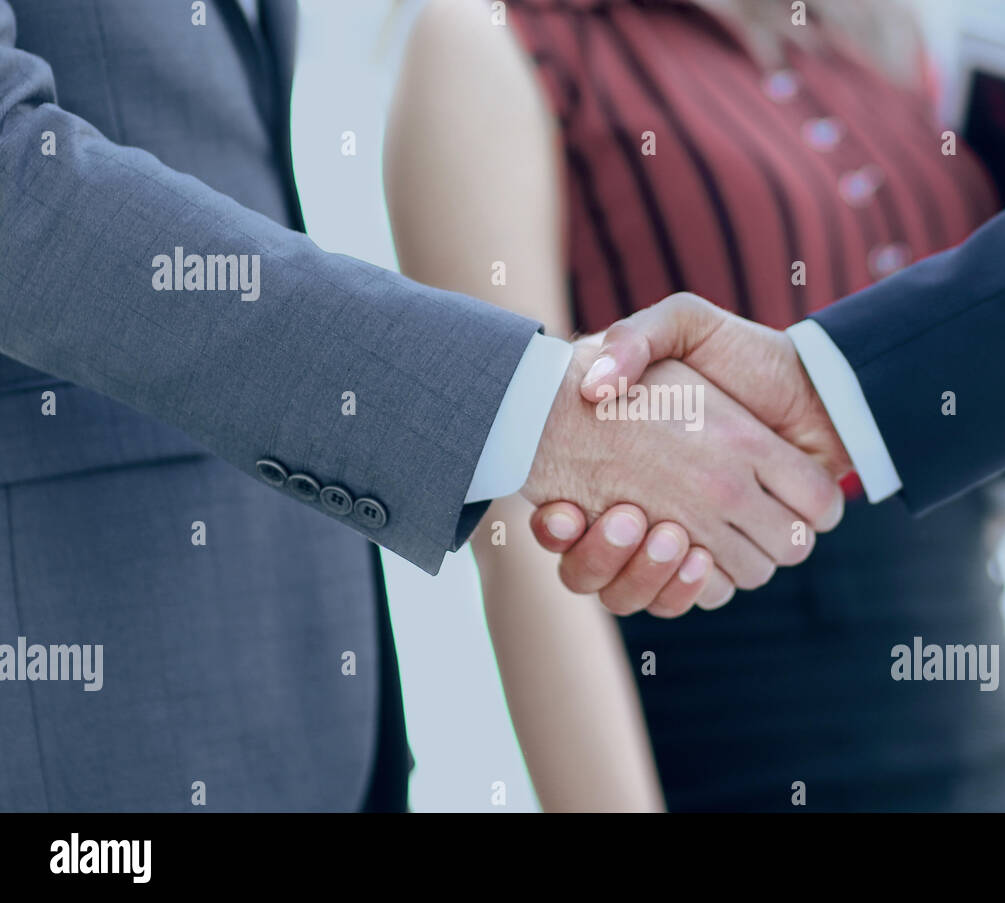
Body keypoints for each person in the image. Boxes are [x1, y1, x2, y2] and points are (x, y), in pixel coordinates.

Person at [0, 0, 841, 811]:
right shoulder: (498, 43)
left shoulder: (860, 42)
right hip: (84, 717)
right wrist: (526, 409)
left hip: (307, 695)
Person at [384, 0, 1005, 810]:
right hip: (731, 727)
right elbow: (514, 522)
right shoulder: (496, 35)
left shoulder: (880, 44)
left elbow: (977, 451)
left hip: (979, 708)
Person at [540, 8, 1005, 799]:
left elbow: (978, 431)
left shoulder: (885, 38)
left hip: (972, 686)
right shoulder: (518, 37)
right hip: (740, 716)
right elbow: (528, 498)